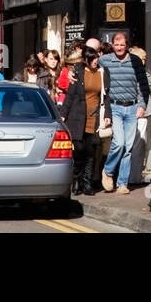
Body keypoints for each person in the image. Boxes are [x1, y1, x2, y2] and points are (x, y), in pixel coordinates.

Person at [100, 29, 150, 193]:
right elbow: (89, 64)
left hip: (132, 107)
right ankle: (108, 171)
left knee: (128, 147)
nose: (119, 48)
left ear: (127, 45)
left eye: (122, 45)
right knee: (119, 143)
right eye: (116, 44)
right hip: (115, 107)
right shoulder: (106, 60)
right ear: (112, 45)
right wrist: (74, 71)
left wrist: (142, 105)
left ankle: (122, 183)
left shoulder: (135, 61)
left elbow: (142, 85)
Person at [60, 47, 111, 195]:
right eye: (92, 59)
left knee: (91, 151)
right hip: (78, 117)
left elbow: (107, 96)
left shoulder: (103, 72)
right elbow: (70, 95)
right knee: (79, 150)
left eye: (97, 58)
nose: (96, 61)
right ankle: (76, 180)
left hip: (94, 118)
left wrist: (108, 114)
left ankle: (87, 183)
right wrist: (63, 114)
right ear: (85, 60)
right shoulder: (78, 72)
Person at [129, 46, 151, 184]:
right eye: (143, 58)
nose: (145, 61)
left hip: (134, 111)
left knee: (134, 144)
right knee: (138, 145)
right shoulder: (139, 73)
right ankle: (134, 176)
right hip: (139, 112)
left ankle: (131, 175)